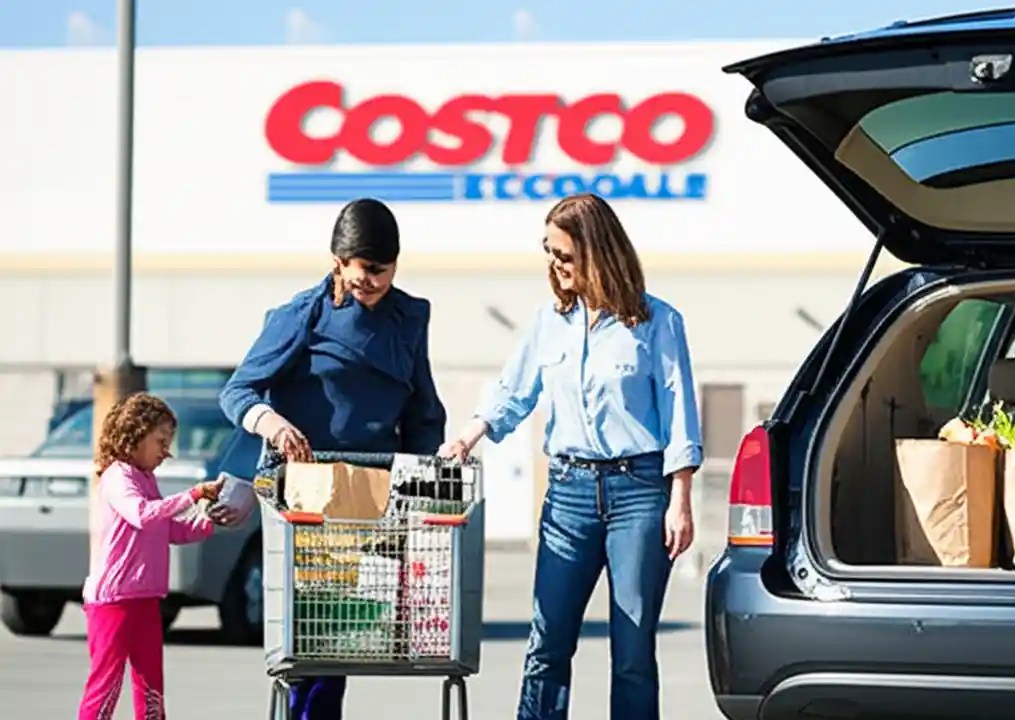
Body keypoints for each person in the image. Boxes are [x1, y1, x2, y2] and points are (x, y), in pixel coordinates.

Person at [439, 192, 702, 720]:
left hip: (640, 495)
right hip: (569, 495)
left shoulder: (657, 322)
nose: (554, 266)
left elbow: (679, 414)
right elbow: (512, 393)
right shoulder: (548, 324)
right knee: (547, 642)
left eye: (564, 255)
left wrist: (681, 500)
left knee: (631, 651)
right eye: (548, 252)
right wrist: (467, 437)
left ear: (597, 253)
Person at [218, 197, 447, 720]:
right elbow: (240, 390)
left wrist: (417, 479)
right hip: (309, 492)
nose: (369, 280)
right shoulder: (303, 313)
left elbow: (423, 407)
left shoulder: (411, 316)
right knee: (314, 635)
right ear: (337, 262)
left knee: (342, 633)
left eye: (380, 269)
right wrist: (269, 423)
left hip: (376, 491)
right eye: (359, 268)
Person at [78, 392, 224, 719]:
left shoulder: (146, 478)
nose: (165, 452)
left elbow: (167, 529)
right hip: (113, 602)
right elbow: (142, 514)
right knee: (105, 684)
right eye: (160, 441)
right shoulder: (118, 477)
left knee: (150, 685)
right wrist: (193, 494)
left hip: (144, 598)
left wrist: (208, 520)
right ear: (136, 434)